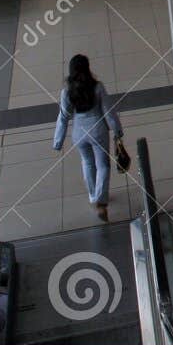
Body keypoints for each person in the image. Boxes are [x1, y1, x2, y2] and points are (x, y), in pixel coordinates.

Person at [52, 54, 123, 221]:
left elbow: (63, 116)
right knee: (103, 165)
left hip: (79, 132)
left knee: (87, 163)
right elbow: (108, 111)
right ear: (88, 68)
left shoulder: (67, 91)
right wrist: (117, 130)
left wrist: (58, 141)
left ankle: (93, 196)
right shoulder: (97, 87)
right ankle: (101, 203)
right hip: (98, 130)